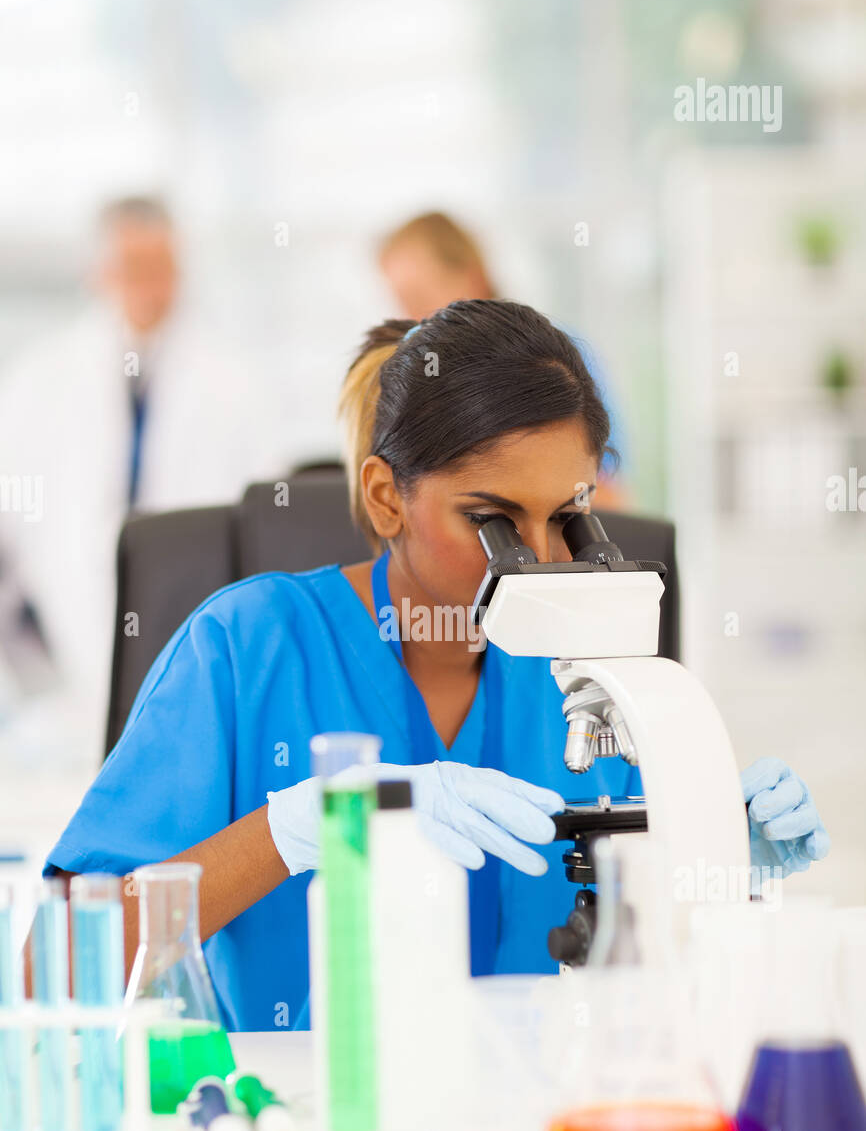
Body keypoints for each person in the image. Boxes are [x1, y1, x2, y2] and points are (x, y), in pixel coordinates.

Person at [43, 301, 829, 1032]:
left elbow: (663, 979)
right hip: (309, 1127)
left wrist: (723, 866)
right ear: (387, 498)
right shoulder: (247, 648)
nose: (540, 561)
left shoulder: (594, 671)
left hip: (539, 1123)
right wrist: (297, 828)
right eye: (492, 522)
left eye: (566, 520)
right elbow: (61, 970)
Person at [0, 196, 290, 759]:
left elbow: (266, 527)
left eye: (162, 267)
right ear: (100, 272)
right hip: (64, 671)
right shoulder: (38, 381)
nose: (149, 284)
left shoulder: (233, 384)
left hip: (196, 643)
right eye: (133, 267)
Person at [377, 211, 632, 510]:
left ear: (473, 278)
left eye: (418, 298)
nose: (408, 320)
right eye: (400, 302)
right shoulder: (421, 374)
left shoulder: (557, 360)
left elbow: (612, 496)